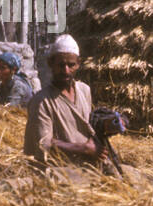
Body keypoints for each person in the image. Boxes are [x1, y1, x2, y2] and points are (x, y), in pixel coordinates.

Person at [23, 34, 103, 168]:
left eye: (71, 65)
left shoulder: (84, 91)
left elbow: (87, 128)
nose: (66, 71)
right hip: (61, 167)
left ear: (78, 64)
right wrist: (84, 148)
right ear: (51, 64)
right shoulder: (41, 101)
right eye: (61, 65)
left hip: (89, 163)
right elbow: (44, 144)